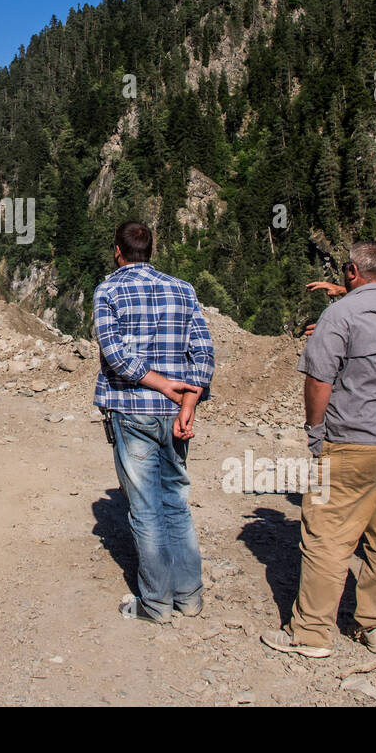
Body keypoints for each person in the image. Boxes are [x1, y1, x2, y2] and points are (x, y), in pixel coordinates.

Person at [261, 242, 376, 658]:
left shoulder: (339, 314)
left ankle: (311, 634)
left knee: (326, 535)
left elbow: (319, 380)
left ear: (353, 272)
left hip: (355, 439)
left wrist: (316, 432)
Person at [94, 221, 214, 625]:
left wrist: (162, 386)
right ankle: (189, 597)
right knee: (176, 502)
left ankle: (156, 604)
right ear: (152, 249)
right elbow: (203, 351)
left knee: (145, 509)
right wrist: (188, 402)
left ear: (117, 251)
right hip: (176, 412)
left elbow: (116, 356)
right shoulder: (184, 289)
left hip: (133, 408)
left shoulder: (108, 290)